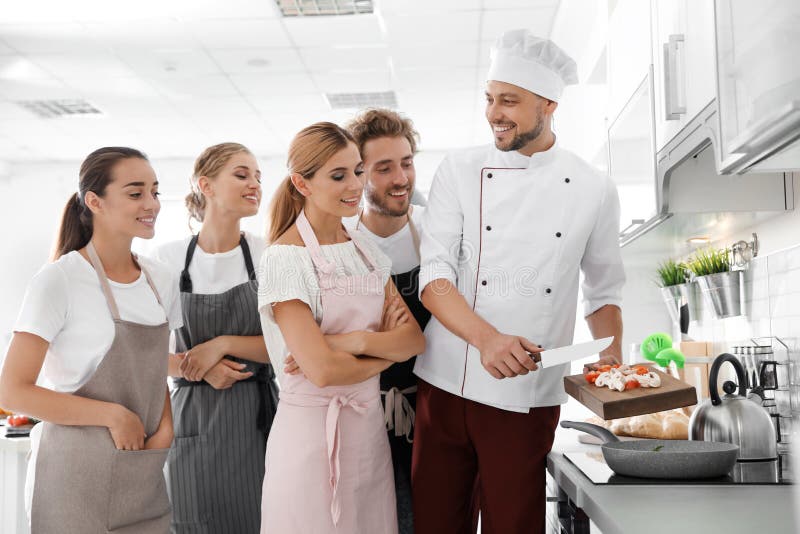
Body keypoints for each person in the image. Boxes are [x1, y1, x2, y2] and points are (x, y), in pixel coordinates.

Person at [412, 29, 626, 534]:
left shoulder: (594, 188)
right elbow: (434, 275)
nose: (493, 113)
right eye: (489, 98)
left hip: (527, 392)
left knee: (515, 525)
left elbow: (604, 290)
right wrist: (486, 339)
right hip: (445, 384)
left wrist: (611, 363)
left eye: (509, 100)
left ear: (548, 103)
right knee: (436, 523)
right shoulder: (459, 169)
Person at [0, 147, 181, 533]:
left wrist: (165, 428)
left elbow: (152, 370)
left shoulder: (160, 279)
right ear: (95, 201)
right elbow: (12, 392)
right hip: (74, 480)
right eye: (135, 193)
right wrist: (111, 415)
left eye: (155, 191)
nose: (151, 204)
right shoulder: (59, 280)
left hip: (142, 467)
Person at [258, 122, 426, 533]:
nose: (355, 184)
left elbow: (415, 340)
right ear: (302, 183)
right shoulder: (284, 258)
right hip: (311, 441)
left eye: (356, 171)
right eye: (338, 175)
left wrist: (353, 341)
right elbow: (323, 372)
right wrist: (386, 348)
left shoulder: (363, 248)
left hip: (369, 435)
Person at [153, 142, 279, 533]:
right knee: (194, 521)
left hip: (259, 418)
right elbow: (145, 354)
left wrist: (220, 345)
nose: (254, 184)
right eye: (241, 175)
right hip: (194, 417)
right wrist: (197, 370)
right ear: (205, 185)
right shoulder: (167, 260)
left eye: (258, 176)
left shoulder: (269, 255)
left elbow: (286, 345)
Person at [343, 108, 428, 534]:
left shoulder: (435, 235)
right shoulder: (342, 243)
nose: (401, 178)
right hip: (364, 412)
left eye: (407, 163)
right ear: (357, 175)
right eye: (384, 168)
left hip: (432, 412)